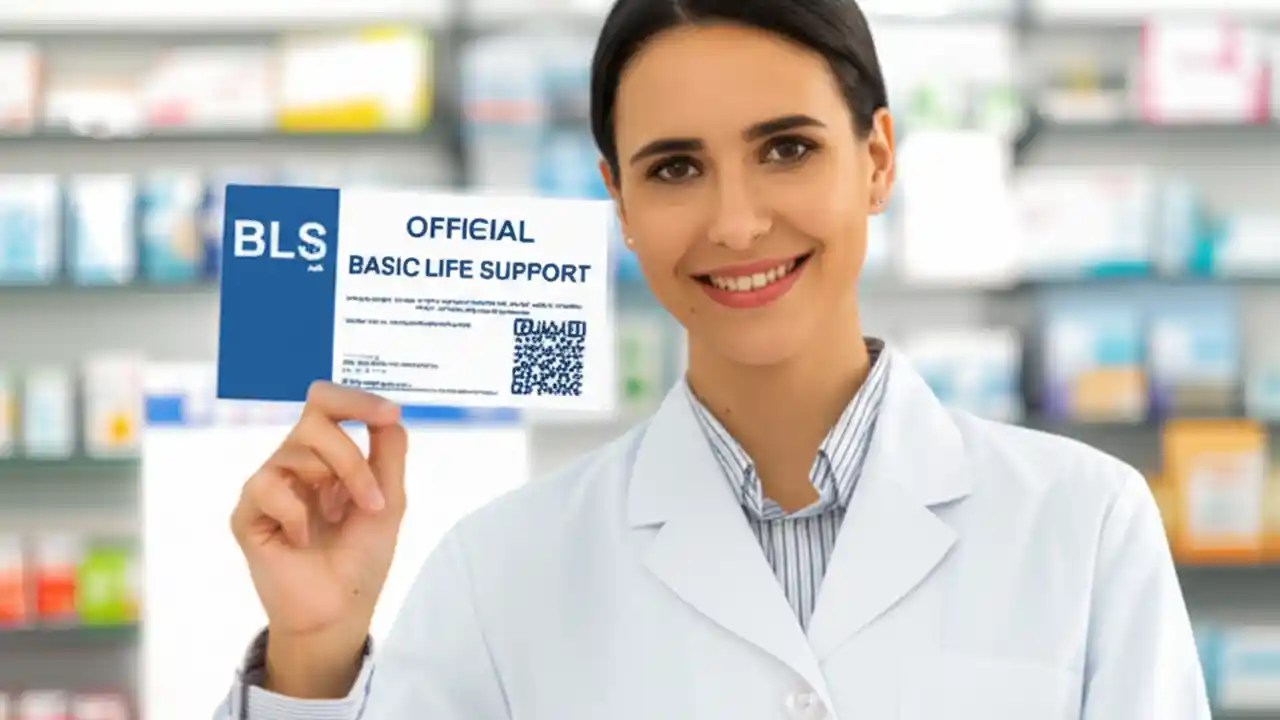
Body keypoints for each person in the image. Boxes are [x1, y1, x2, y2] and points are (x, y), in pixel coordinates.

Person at [215, 0, 1212, 717]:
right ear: (619, 203)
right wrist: (313, 651)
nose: (735, 222)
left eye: (785, 149)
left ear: (874, 160)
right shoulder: (497, 570)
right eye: (675, 168)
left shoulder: (1082, 525)